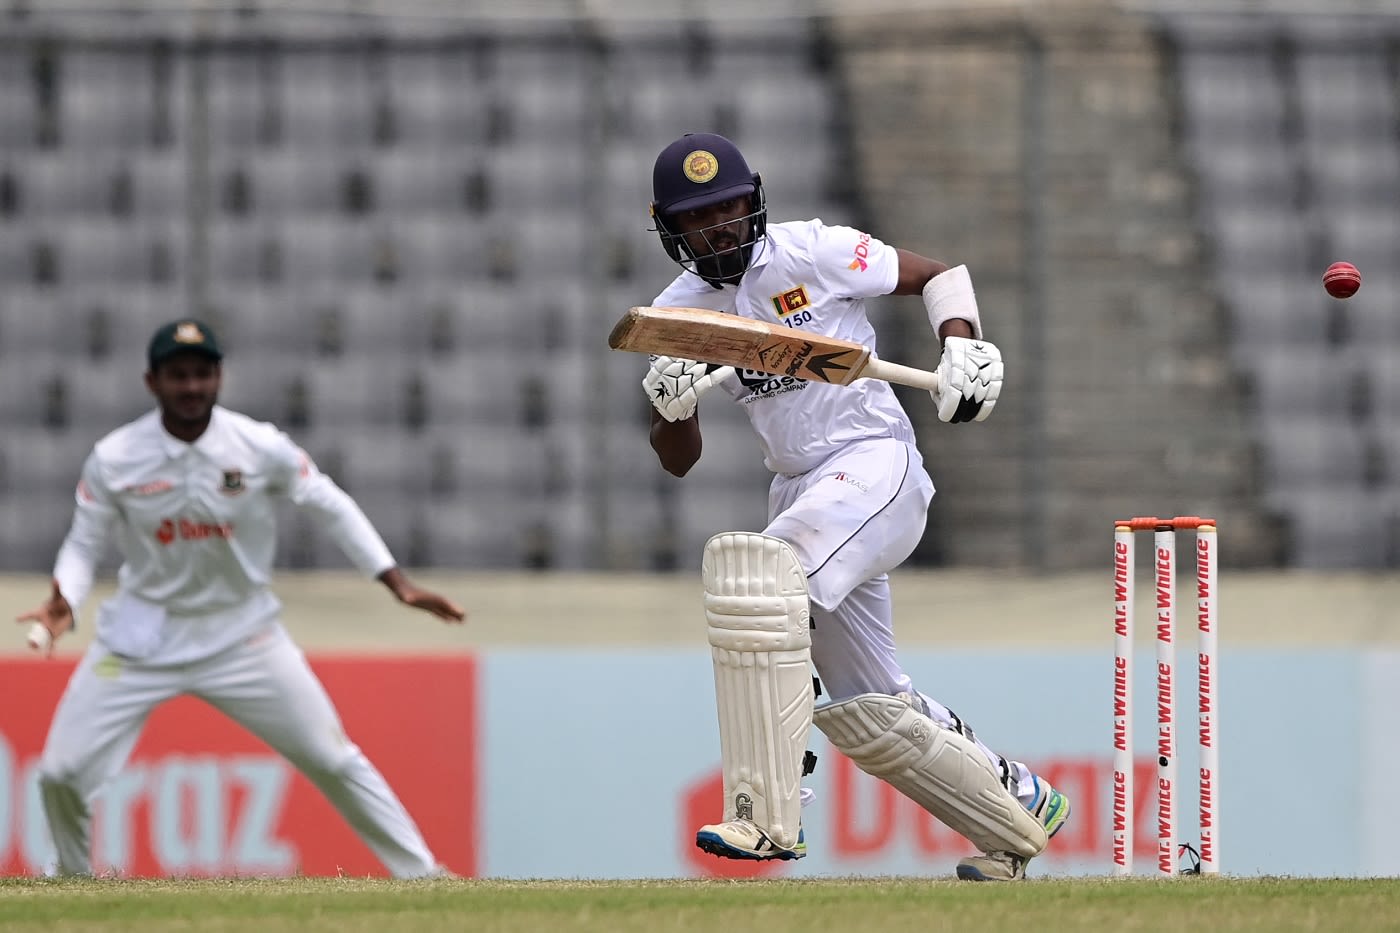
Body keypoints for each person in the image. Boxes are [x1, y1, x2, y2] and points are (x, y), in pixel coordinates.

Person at [639, 133, 1069, 882]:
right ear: (668, 224)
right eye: (700, 215)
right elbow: (680, 461)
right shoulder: (678, 315)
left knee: (764, 581)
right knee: (873, 710)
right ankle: (1016, 811)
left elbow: (940, 276)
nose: (721, 225)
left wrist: (961, 345)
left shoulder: (813, 251)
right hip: (804, 491)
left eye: (731, 205)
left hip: (876, 461)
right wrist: (673, 408)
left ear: (755, 198)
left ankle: (765, 817)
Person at [15, 319, 465, 878]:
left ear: (219, 378)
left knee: (332, 756)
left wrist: (396, 582)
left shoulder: (258, 446)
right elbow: (83, 544)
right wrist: (66, 599)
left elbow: (330, 503)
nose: (192, 387)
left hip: (243, 636)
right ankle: (75, 882)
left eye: (202, 374)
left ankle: (424, 878)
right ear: (151, 382)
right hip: (139, 639)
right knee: (60, 773)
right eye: (178, 376)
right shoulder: (115, 457)